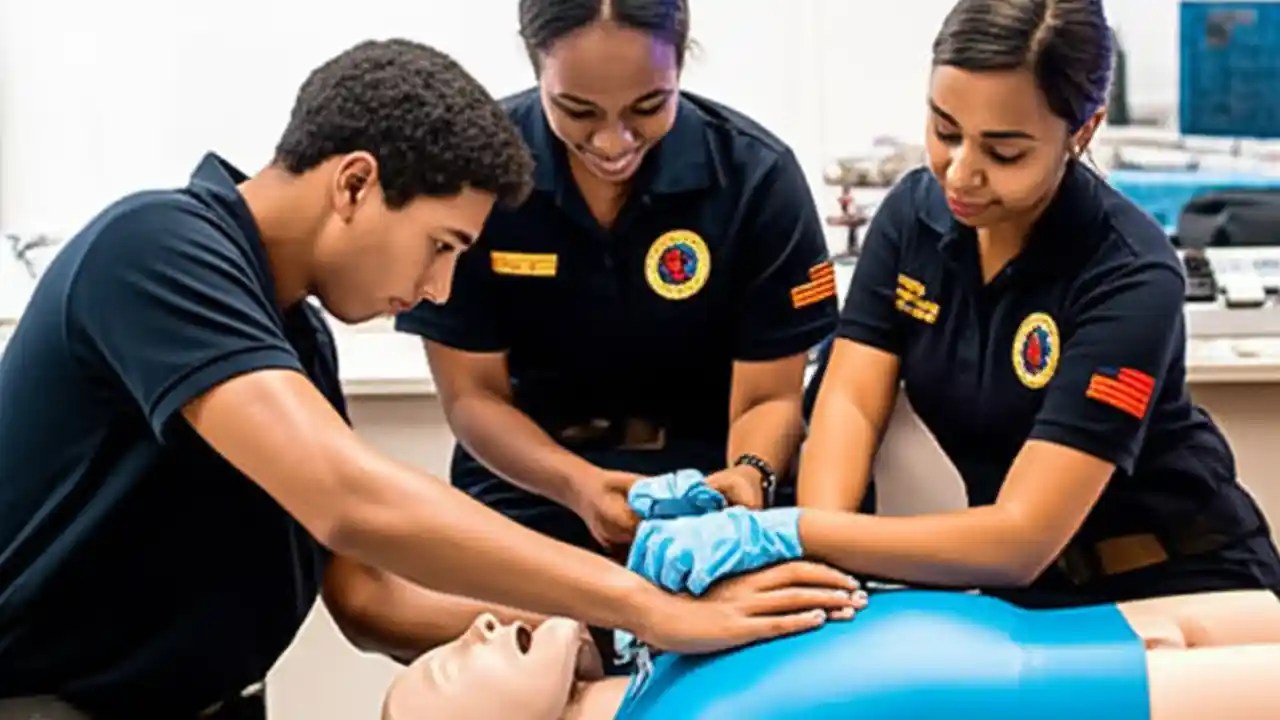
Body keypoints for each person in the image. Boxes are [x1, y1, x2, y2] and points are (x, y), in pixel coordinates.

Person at [0, 39, 851, 719]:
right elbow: (351, 500)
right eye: (442, 245)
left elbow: (370, 598)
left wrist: (611, 631)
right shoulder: (156, 251)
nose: (439, 290)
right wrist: (642, 606)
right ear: (356, 183)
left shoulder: (291, 331)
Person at [621, 0, 1280, 609]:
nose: (961, 172)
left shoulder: (1130, 276)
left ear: (1083, 131)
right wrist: (815, 556)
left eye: (1004, 151)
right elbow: (850, 399)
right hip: (1031, 597)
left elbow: (1021, 538)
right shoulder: (912, 218)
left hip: (1182, 584)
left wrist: (792, 533)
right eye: (945, 130)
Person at [394, 0, 838, 567]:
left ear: (681, 66)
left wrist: (749, 478)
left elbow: (769, 396)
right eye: (577, 110)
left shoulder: (756, 177)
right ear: (535, 67)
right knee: (538, 644)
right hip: (534, 482)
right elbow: (473, 397)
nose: (612, 141)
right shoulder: (473, 175)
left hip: (712, 482)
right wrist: (578, 485)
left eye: (648, 106)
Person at [380, 578, 1280, 719]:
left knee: (1249, 614)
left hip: (1025, 630)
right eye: (447, 673)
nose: (483, 625)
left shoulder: (649, 664)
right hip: (1035, 690)